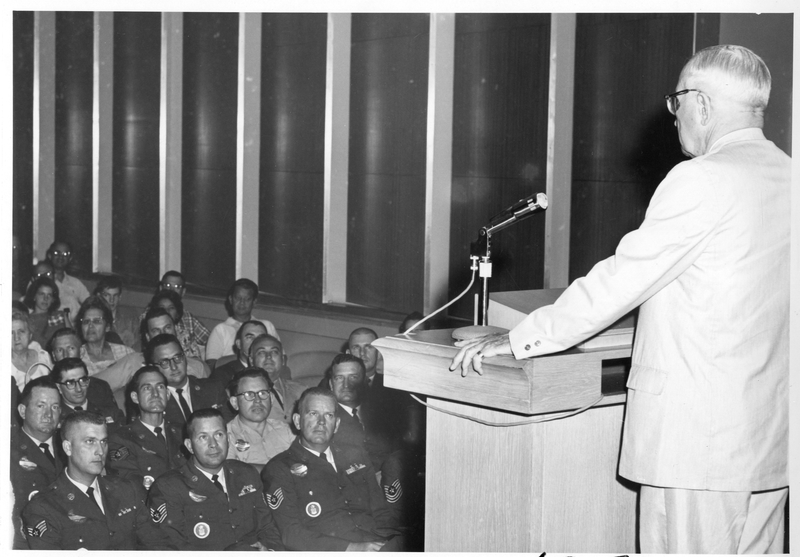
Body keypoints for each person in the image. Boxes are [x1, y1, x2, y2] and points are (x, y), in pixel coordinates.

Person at [450, 45, 790, 554]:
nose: (673, 120)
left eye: (675, 104)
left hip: (698, 449)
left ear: (700, 104)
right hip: (771, 443)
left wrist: (522, 338)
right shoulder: (788, 176)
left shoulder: (702, 178)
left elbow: (620, 280)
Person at [262, 388, 402, 551]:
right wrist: (352, 548)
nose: (321, 422)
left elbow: (380, 512)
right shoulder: (279, 468)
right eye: (313, 414)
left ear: (336, 425)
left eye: (328, 415)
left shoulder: (356, 455)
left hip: (378, 544)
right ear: (298, 421)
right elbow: (291, 534)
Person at [145, 408, 284, 550]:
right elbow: (168, 546)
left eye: (218, 435)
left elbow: (268, 528)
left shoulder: (246, 474)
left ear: (228, 439)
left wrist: (270, 550)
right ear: (189, 446)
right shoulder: (169, 487)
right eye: (203, 437)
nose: (213, 444)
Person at [21, 411, 154, 549]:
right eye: (90, 441)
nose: (100, 451)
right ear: (68, 447)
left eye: (103, 441)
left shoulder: (126, 490)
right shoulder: (44, 508)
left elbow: (156, 544)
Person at [107, 366, 187, 490]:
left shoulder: (183, 432)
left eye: (160, 387)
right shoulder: (121, 439)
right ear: (135, 397)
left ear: (167, 394)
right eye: (147, 388)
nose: (155, 394)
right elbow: (130, 487)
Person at [10, 377, 64, 549]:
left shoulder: (70, 446)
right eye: (40, 406)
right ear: (22, 411)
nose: (49, 414)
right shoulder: (9, 452)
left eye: (54, 407)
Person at [145, 334, 229, 426]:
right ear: (152, 367)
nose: (174, 367)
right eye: (164, 362)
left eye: (177, 358)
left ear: (185, 358)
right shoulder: (151, 401)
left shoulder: (213, 389)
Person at [47, 327, 126, 420]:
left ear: (82, 351)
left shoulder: (99, 387)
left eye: (71, 348)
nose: (65, 355)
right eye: (59, 350)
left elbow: (114, 419)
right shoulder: (44, 388)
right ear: (53, 356)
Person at [225, 367, 295, 472]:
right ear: (235, 403)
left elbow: (302, 466)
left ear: (271, 399)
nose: (257, 400)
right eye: (249, 395)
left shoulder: (286, 430)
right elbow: (232, 472)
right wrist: (282, 471)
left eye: (262, 393)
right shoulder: (226, 435)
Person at [205, 278, 279, 365]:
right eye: (237, 298)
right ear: (231, 299)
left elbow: (281, 356)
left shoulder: (267, 325)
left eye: (247, 299)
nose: (242, 303)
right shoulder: (221, 330)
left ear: (254, 302)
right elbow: (212, 364)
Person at [50, 357, 124, 435]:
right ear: (58, 387)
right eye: (70, 383)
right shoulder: (54, 419)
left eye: (82, 380)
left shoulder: (110, 413)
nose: (78, 389)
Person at [142, 270, 211, 351]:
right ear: (160, 288)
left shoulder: (187, 317)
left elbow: (209, 340)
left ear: (183, 292)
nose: (171, 290)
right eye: (167, 285)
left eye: (177, 287)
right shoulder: (148, 316)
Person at [249, 333, 305, 425]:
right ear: (251, 360)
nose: (269, 356)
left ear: (283, 359)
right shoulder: (245, 395)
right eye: (261, 352)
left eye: (274, 352)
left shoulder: (302, 391)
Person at [75, 296, 135, 375]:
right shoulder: (77, 357)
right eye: (86, 321)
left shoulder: (125, 353)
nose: (90, 326)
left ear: (107, 327)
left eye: (96, 321)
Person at [145, 289, 205, 360]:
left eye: (171, 308)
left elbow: (196, 364)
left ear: (177, 313)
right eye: (162, 308)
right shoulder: (150, 331)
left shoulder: (186, 337)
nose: (166, 311)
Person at [209, 319, 266, 384]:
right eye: (250, 337)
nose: (256, 341)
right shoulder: (224, 374)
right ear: (239, 344)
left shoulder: (272, 370)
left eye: (261, 338)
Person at [93, 274, 140, 350]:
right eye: (107, 295)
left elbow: (138, 345)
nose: (111, 300)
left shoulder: (130, 318)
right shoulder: (94, 320)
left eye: (115, 295)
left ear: (120, 297)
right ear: (99, 296)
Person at [23, 276, 71, 347]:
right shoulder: (27, 320)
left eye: (49, 295)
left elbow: (72, 339)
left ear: (53, 299)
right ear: (34, 296)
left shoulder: (60, 316)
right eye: (42, 294)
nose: (45, 298)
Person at [45, 241, 91, 316]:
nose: (61, 257)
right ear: (50, 256)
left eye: (65, 254)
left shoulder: (75, 283)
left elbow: (89, 303)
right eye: (57, 253)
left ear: (70, 258)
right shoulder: (41, 280)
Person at [11, 313, 53, 391]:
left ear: (30, 335)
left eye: (21, 331)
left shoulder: (43, 356)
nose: (16, 337)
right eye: (11, 333)